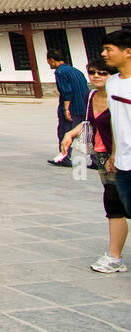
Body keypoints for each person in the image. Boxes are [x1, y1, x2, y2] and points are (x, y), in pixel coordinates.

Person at [60, 60, 124, 272]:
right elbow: (89, 123)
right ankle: (115, 256)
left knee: (120, 202)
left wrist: (116, 153)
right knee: (113, 202)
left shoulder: (121, 97)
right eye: (92, 72)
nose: (96, 76)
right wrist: (70, 133)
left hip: (122, 156)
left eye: (102, 73)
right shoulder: (91, 97)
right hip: (102, 156)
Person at [102, 30, 131, 222]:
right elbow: (115, 119)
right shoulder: (111, 82)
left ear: (128, 51)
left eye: (108, 49)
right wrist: (113, 153)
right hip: (123, 162)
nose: (104, 54)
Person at [47, 50, 88, 166]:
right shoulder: (76, 71)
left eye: (49, 61)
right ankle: (96, 160)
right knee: (88, 132)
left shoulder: (60, 72)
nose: (49, 64)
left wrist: (66, 109)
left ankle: (64, 157)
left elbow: (66, 92)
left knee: (65, 132)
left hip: (72, 107)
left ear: (52, 60)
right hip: (83, 106)